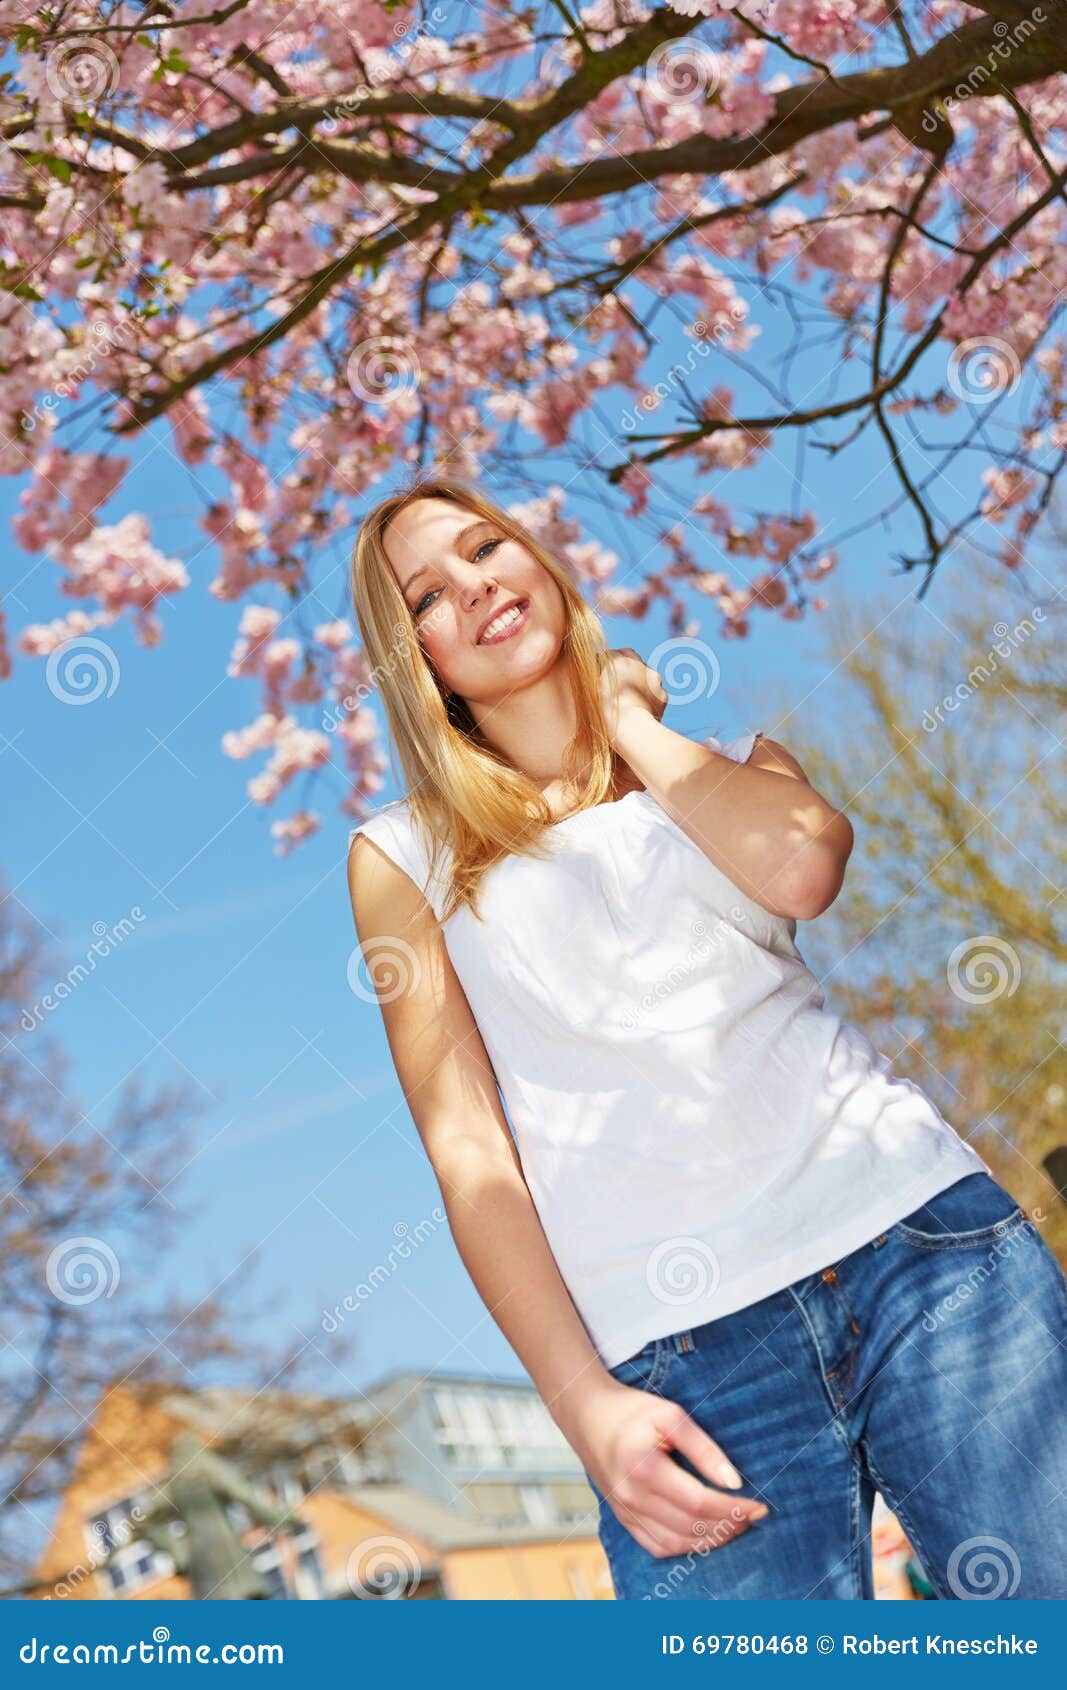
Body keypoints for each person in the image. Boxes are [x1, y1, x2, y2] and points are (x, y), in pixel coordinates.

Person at [344, 475, 1067, 1600]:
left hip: (921, 1246)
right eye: (426, 593)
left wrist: (625, 716)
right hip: (683, 1361)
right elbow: (468, 1151)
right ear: (415, 656)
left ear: (541, 563)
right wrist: (584, 1405)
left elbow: (799, 866)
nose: (474, 586)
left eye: (487, 548)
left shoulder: (729, 761)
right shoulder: (404, 857)